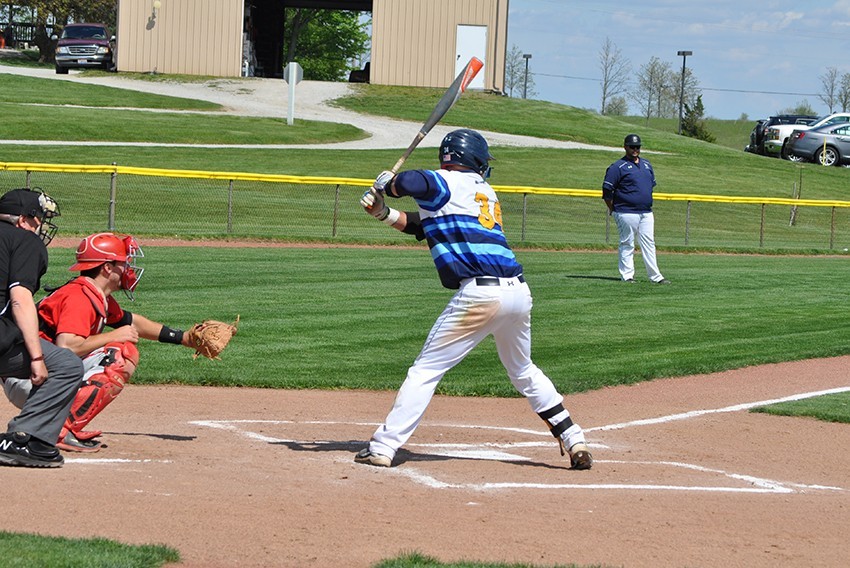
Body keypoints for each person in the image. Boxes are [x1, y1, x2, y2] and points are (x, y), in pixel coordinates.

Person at [355, 128, 592, 470]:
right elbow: (425, 224)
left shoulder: (445, 182)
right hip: (518, 293)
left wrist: (390, 183)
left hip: (481, 295)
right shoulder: (482, 190)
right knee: (523, 369)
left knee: (426, 369)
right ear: (477, 161)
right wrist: (383, 211)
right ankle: (574, 437)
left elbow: (412, 183)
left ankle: (384, 446)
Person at [2, 232, 206, 453]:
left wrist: (183, 338)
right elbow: (67, 345)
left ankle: (57, 424)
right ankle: (59, 428)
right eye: (123, 263)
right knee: (120, 354)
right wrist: (113, 336)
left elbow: (133, 322)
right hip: (32, 377)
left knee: (120, 347)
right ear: (107, 267)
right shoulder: (79, 297)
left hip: (43, 376)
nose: (128, 269)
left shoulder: (95, 294)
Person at [0, 188, 84, 468]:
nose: (41, 227)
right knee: (66, 366)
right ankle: (23, 438)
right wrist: (36, 357)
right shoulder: (25, 240)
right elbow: (20, 298)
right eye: (38, 220)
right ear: (23, 220)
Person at [602, 134, 669, 284]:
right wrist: (613, 209)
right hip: (625, 211)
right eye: (632, 146)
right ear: (625, 146)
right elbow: (607, 191)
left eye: (637, 146)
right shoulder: (617, 167)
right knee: (627, 243)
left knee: (649, 244)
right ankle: (627, 276)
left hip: (646, 212)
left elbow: (650, 185)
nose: (635, 149)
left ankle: (656, 276)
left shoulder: (646, 165)